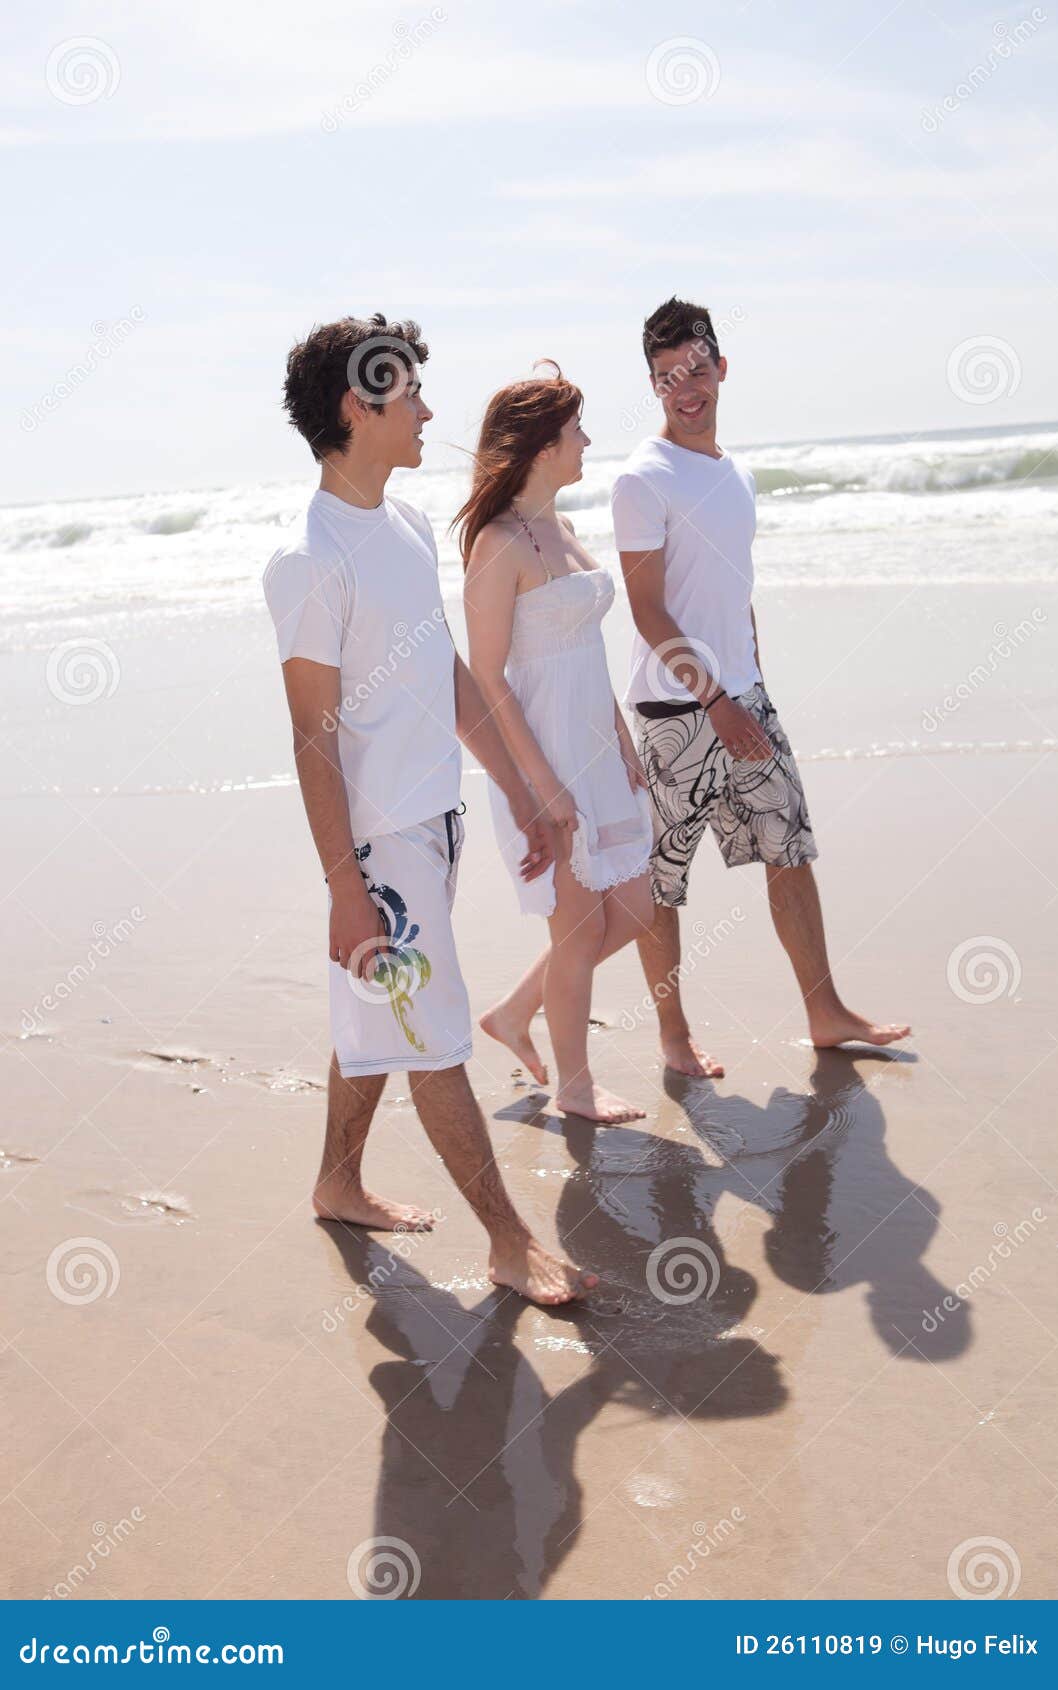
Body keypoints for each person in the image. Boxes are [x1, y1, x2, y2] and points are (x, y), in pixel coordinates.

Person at [262, 313, 597, 1304]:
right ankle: (507, 1239)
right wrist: (345, 891)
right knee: (433, 1033)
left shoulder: (401, 527)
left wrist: (515, 783)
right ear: (355, 407)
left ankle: (336, 1179)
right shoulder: (308, 556)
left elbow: (446, 675)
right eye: (406, 392)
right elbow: (312, 736)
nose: (427, 410)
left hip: (432, 823)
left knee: (384, 1017)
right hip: (377, 849)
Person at [612, 297, 910, 1077]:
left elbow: (729, 586)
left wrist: (750, 680)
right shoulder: (642, 479)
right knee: (665, 882)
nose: (687, 387)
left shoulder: (734, 471)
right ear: (652, 385)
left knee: (791, 851)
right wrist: (714, 697)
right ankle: (673, 1036)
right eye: (667, 376)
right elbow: (648, 611)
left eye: (697, 368)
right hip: (681, 708)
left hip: (745, 697)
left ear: (720, 366)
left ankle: (823, 1010)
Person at [457, 366, 654, 1124]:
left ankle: (512, 1012)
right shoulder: (498, 544)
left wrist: (620, 737)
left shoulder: (564, 530)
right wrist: (540, 784)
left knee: (632, 909)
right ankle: (573, 1087)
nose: (587, 442)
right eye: (575, 430)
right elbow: (486, 675)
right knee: (575, 930)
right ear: (541, 445)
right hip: (545, 759)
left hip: (598, 752)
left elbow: (581, 653)